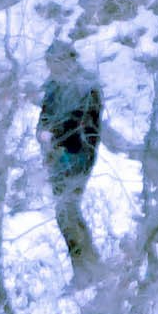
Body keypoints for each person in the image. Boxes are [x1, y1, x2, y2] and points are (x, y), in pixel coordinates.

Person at [38, 38, 103, 272]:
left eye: (54, 62)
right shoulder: (53, 85)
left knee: (68, 211)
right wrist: (44, 136)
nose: (50, 68)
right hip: (56, 156)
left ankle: (88, 268)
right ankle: (86, 267)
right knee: (64, 213)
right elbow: (44, 115)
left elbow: (83, 122)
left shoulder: (86, 86)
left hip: (76, 155)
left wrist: (54, 134)